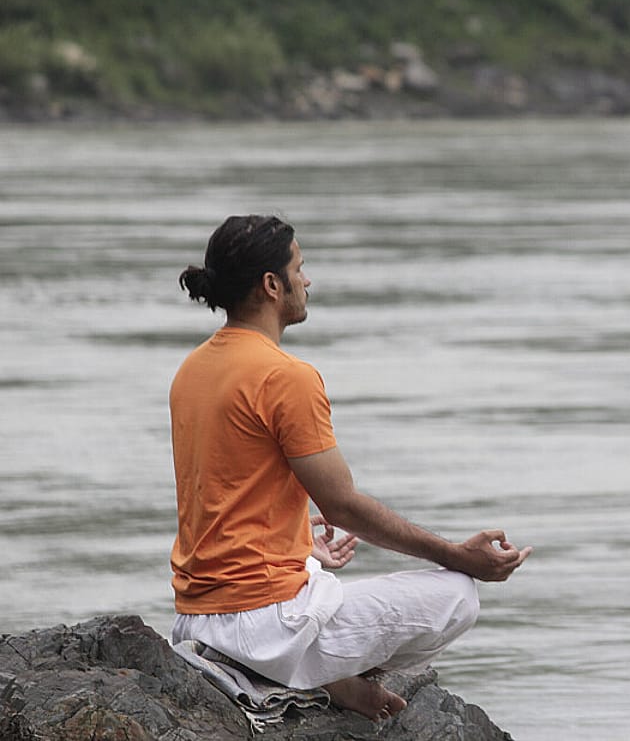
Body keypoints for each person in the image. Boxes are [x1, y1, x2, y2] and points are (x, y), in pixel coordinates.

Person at [169, 215, 531, 722]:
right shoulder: (286, 376)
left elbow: (222, 492)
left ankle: (319, 670)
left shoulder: (193, 369)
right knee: (457, 596)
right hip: (263, 625)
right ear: (272, 285)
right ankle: (318, 678)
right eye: (300, 268)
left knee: (316, 568)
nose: (308, 280)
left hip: (198, 618)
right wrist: (457, 556)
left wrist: (298, 545)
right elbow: (343, 505)